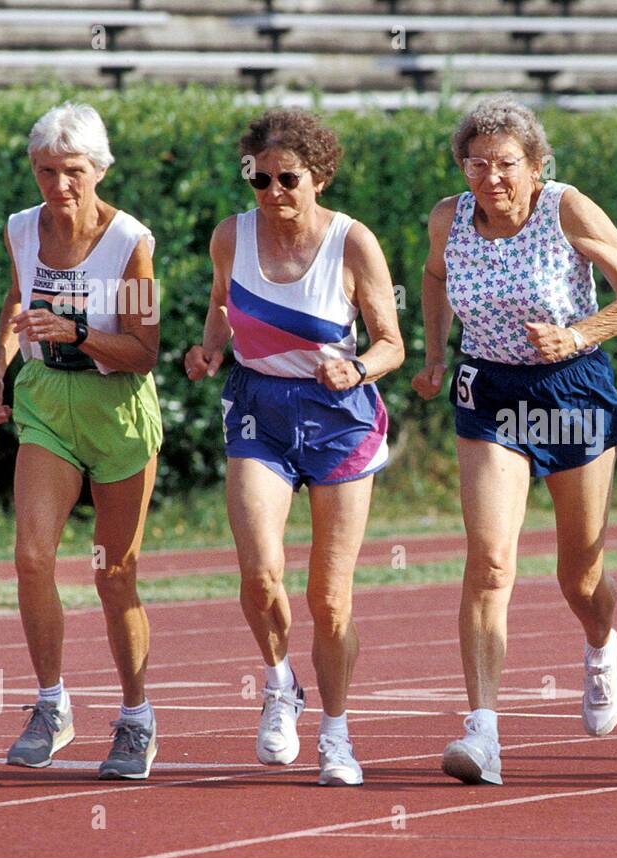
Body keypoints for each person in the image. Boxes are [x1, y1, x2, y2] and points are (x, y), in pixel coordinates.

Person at [413, 94, 617, 785]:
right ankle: (483, 732)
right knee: (489, 561)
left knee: (578, 575)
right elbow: (434, 276)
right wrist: (436, 351)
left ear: (537, 164)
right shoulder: (448, 218)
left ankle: (601, 639)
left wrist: (578, 334)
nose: (491, 177)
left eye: (507, 164)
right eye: (477, 163)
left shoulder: (566, 209)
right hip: (489, 393)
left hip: (572, 390)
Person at [185, 108, 403, 786]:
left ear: (318, 176)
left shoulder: (352, 242)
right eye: (259, 179)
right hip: (260, 410)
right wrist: (211, 348)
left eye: (288, 179)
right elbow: (221, 302)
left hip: (337, 414)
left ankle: (336, 734)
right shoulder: (232, 236)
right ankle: (280, 684)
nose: (273, 192)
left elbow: (392, 343)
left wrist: (359, 367)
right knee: (259, 572)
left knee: (329, 597)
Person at [0, 102, 162, 779]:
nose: (58, 186)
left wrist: (78, 332)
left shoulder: (130, 241)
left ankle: (137, 718)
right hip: (47, 405)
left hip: (117, 413)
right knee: (31, 555)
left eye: (73, 172)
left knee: (113, 573)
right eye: (46, 170)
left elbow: (145, 351)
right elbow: (17, 297)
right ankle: (51, 704)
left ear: (99, 168)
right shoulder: (22, 227)